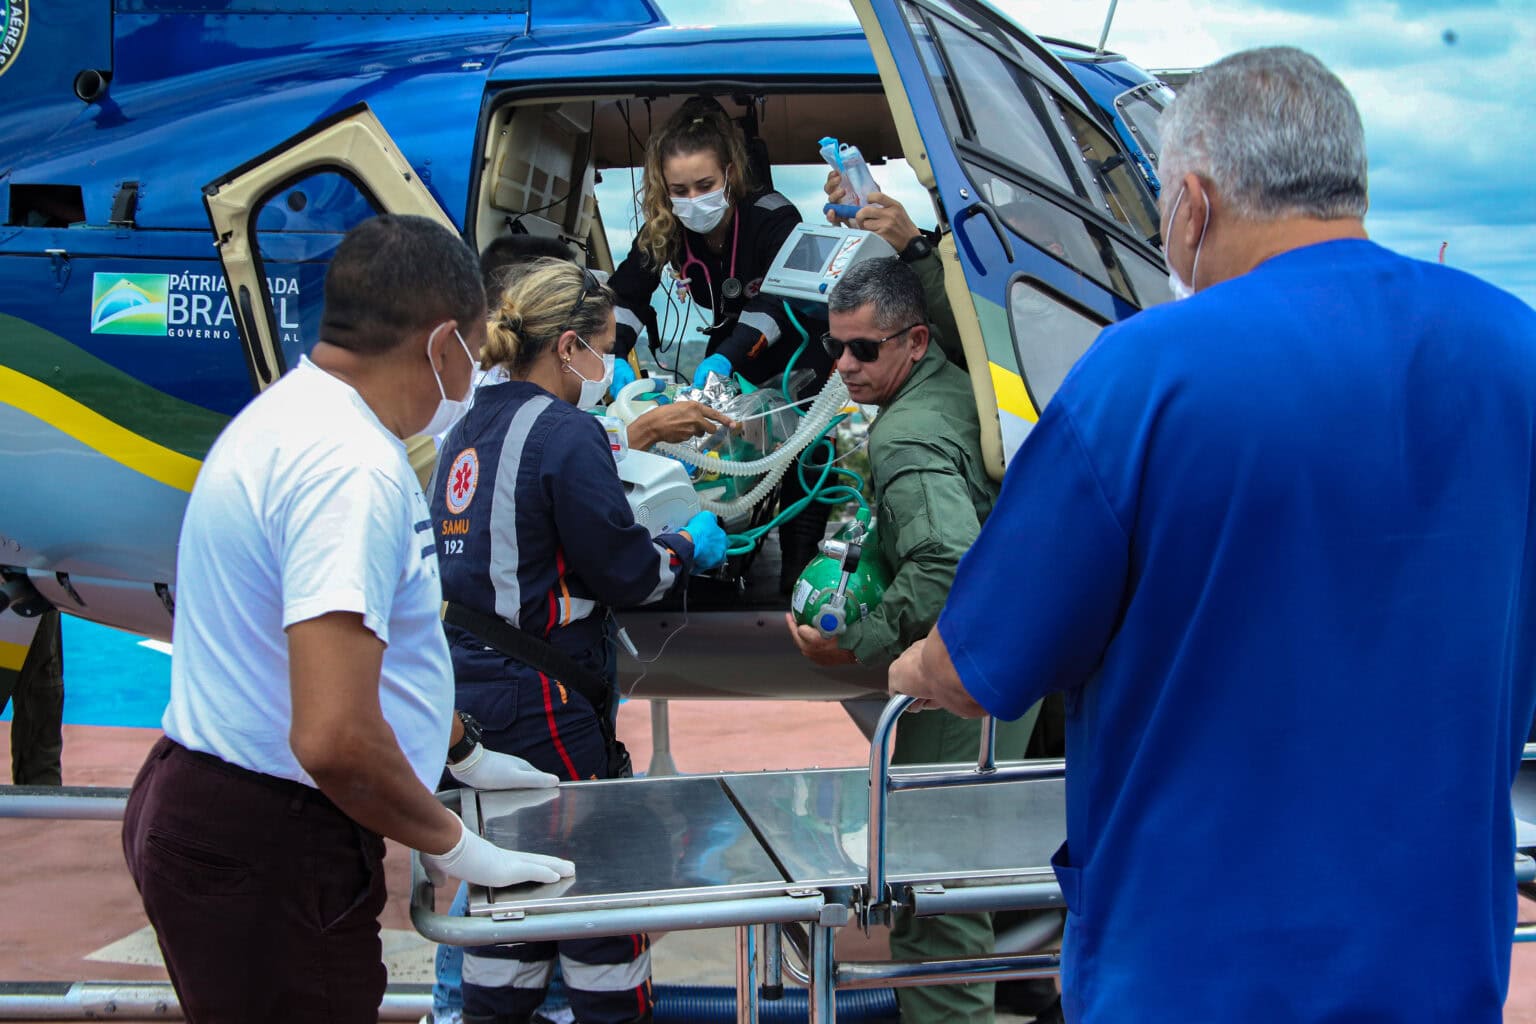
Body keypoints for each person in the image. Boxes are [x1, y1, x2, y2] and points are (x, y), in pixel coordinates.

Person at [890, 47, 1536, 1023]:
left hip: (1193, 971)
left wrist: (909, 668)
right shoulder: (1515, 350)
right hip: (1438, 968)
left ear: (1192, 203)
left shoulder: (1148, 373)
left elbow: (984, 664)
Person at [121, 215, 575, 1024]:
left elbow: (342, 653)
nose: (472, 378)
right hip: (272, 843)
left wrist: (460, 750)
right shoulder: (350, 472)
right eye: (474, 352)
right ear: (442, 345)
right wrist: (456, 844)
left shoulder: (292, 416)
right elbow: (332, 736)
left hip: (220, 808)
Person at [432, 257, 727, 1024]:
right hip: (545, 701)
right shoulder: (566, 434)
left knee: (511, 905)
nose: (611, 366)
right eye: (606, 347)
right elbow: (627, 572)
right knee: (597, 899)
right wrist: (686, 546)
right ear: (569, 347)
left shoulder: (468, 427)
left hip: (474, 693)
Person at [785, 257, 1035, 1024]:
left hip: (963, 677)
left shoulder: (905, 437)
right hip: (1024, 659)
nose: (845, 365)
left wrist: (862, 637)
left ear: (916, 341)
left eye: (865, 349)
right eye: (838, 347)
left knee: (932, 889)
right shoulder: (958, 385)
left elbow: (944, 559)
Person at [609, 97, 832, 590]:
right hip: (738, 354)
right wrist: (607, 358)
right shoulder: (668, 227)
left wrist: (724, 359)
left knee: (803, 454)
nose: (694, 199)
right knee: (726, 460)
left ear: (730, 174)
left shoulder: (771, 216)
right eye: (679, 190)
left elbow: (774, 302)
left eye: (706, 186)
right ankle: (726, 558)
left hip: (800, 348)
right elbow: (626, 297)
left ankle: (795, 580)